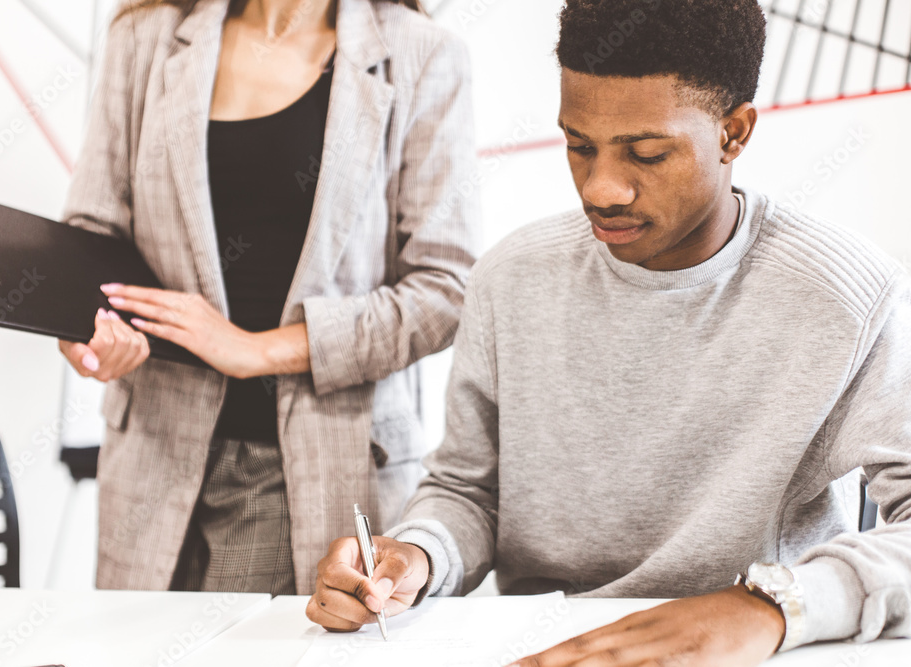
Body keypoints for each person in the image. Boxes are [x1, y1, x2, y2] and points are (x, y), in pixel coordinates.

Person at [305, 0, 911, 663]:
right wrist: (416, 554)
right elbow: (467, 492)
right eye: (578, 145)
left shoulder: (847, 293)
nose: (601, 189)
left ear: (734, 133)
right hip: (545, 649)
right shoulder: (511, 278)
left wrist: (774, 605)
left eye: (646, 154)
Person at [57, 0, 478, 596]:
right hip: (151, 458)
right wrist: (84, 328)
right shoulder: (143, 36)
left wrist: (257, 350)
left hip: (314, 461)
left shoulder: (424, 54)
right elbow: (90, 234)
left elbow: (444, 290)